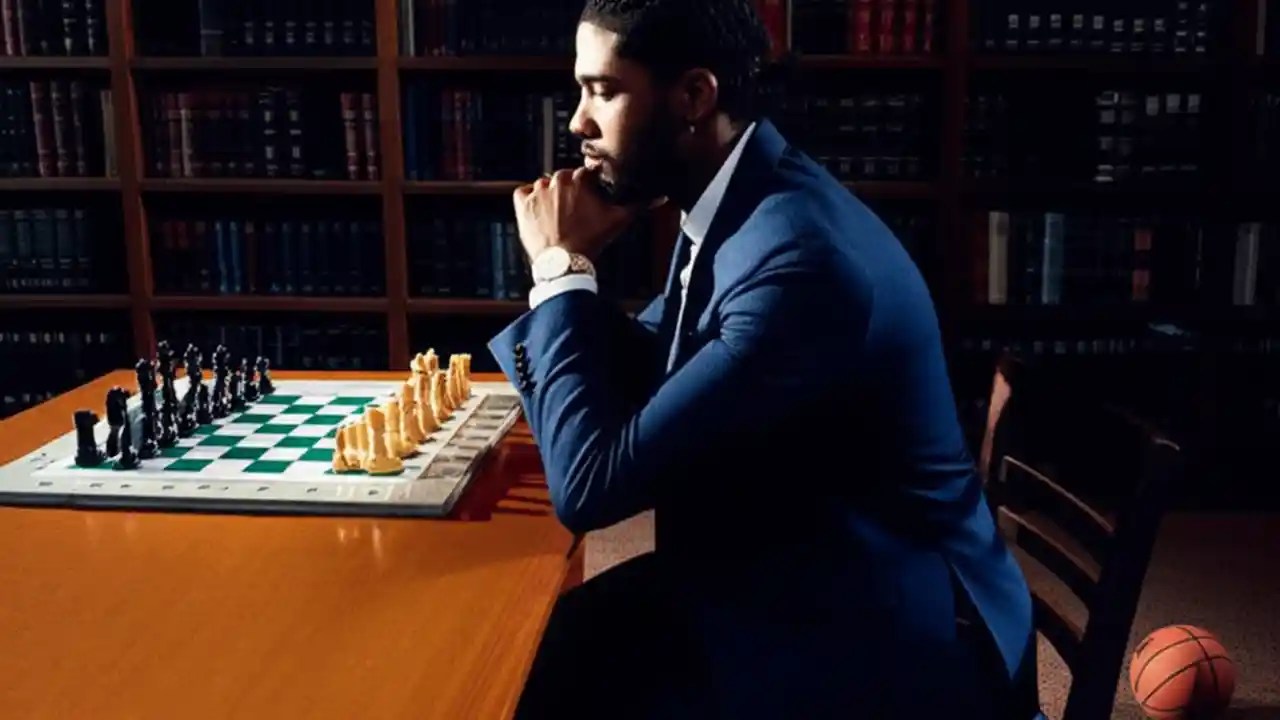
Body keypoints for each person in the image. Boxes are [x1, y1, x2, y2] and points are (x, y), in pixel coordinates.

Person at [487, 1, 1041, 717]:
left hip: (889, 634)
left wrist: (561, 271)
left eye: (604, 91)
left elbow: (591, 491)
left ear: (694, 96)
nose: (577, 123)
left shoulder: (797, 261)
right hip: (783, 563)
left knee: (535, 678)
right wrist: (567, 286)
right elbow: (654, 367)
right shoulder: (742, 195)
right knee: (533, 650)